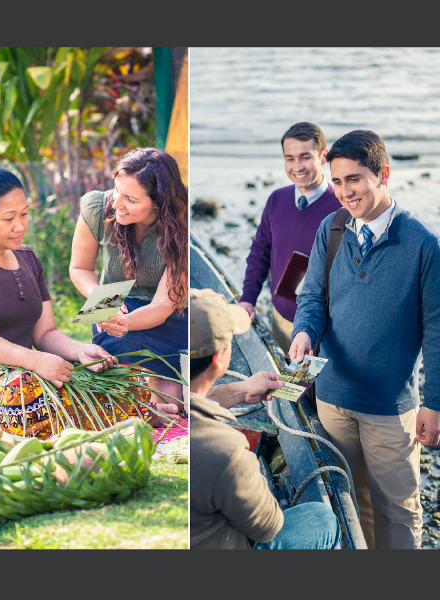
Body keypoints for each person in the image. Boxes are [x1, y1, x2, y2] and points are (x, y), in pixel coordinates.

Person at [289, 129, 440, 549]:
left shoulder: (424, 246)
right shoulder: (331, 228)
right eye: (336, 181)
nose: (344, 192)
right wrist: (304, 330)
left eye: (354, 179)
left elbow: (438, 332)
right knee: (353, 504)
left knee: (400, 510)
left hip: (390, 408)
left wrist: (435, 403)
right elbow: (311, 296)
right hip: (333, 399)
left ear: (383, 174)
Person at [0, 168, 118, 438]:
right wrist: (34, 361)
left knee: (119, 378)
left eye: (24, 214)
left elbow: (45, 333)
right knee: (26, 394)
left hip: (30, 371)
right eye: (9, 218)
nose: (20, 225)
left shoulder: (29, 258)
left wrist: (80, 351)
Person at [188, 288, 340, 549]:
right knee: (323, 520)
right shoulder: (224, 448)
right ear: (221, 358)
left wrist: (240, 390)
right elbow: (267, 527)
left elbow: (189, 400)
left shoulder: (165, 408)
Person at [69, 148, 189, 415]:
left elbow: (161, 307)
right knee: (108, 364)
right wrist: (103, 304)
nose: (117, 204)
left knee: (169, 405)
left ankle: (161, 389)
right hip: (113, 303)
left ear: (158, 203)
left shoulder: (183, 223)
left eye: (131, 199)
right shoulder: (97, 207)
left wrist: (128, 323)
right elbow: (79, 268)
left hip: (173, 314)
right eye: (116, 191)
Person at [238, 123, 342, 351]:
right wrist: (248, 298)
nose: (297, 167)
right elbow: (260, 251)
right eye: (290, 158)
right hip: (280, 318)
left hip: (324, 327)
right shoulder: (276, 200)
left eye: (305, 157)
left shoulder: (341, 209)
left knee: (314, 387)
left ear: (323, 156)